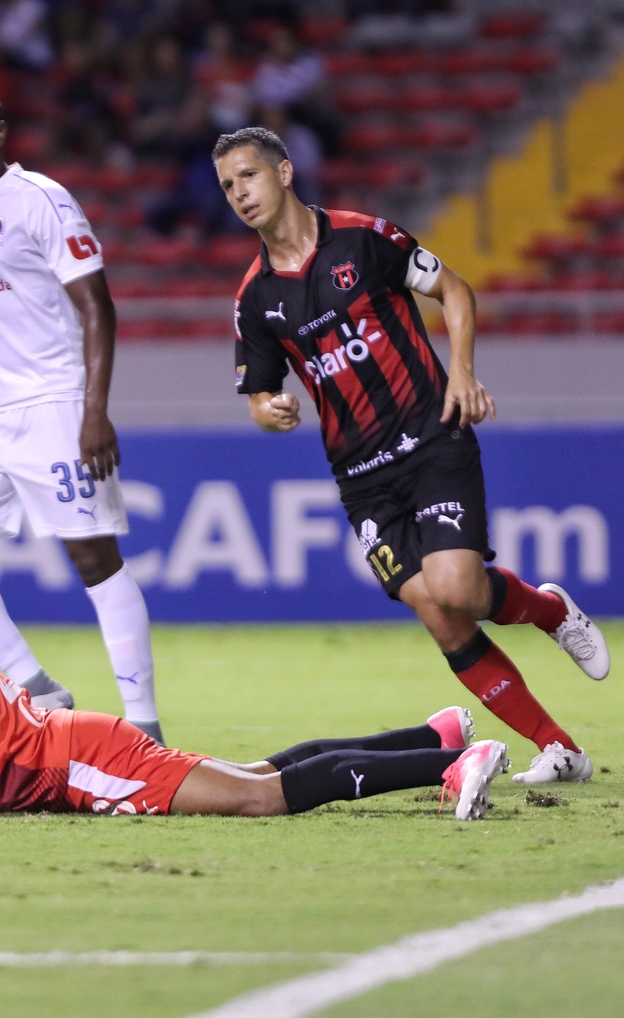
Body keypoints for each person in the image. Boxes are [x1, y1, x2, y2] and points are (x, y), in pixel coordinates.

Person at [216, 126, 610, 786]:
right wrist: (267, 411)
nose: (239, 193)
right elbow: (258, 391)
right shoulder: (254, 298)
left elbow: (454, 290)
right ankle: (558, 747)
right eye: (228, 186)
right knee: (436, 611)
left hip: (430, 434)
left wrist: (461, 370)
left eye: (248, 176)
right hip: (360, 477)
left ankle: (550, 612)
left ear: (283, 173)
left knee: (456, 586)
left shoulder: (364, 239)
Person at [0, 579, 509, 822]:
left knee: (260, 799)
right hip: (72, 742)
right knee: (245, 772)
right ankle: (431, 736)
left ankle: (449, 766)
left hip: (73, 764)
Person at [0, 86, 164, 743]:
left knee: (92, 558)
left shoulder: (41, 201)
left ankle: (143, 725)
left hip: (53, 401)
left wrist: (93, 413)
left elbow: (97, 308)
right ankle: (35, 685)